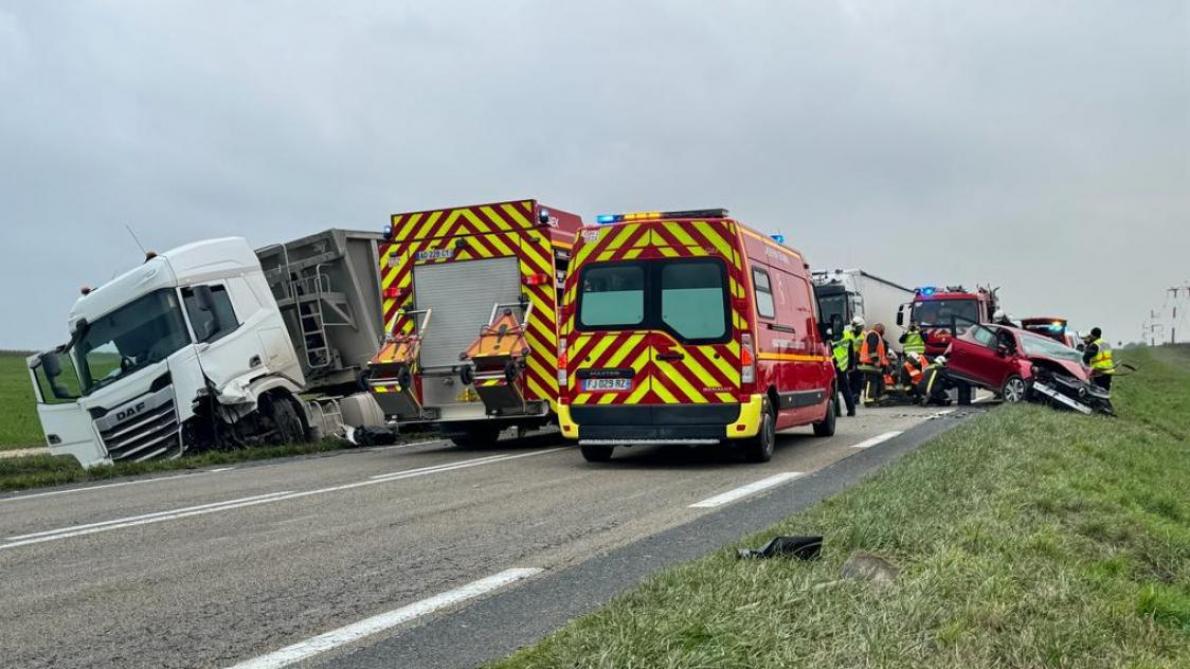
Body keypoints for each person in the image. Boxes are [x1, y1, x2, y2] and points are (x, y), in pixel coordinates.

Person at [831, 319, 859, 417]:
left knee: (833, 389)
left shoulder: (831, 335)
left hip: (834, 363)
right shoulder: (847, 335)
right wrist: (851, 365)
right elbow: (851, 352)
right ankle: (851, 410)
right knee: (845, 388)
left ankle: (836, 411)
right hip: (843, 365)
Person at [858, 322, 889, 404]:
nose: (884, 332)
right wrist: (875, 360)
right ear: (880, 329)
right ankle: (869, 400)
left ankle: (876, 398)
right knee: (871, 381)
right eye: (883, 330)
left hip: (872, 363)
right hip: (870, 363)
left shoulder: (875, 335)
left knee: (877, 380)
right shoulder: (873, 335)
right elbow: (872, 349)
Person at [1082, 327, 1114, 391]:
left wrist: (1087, 345)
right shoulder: (1106, 343)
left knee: (1097, 391)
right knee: (1105, 391)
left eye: (1091, 335)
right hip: (1108, 372)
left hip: (1098, 372)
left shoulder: (1095, 345)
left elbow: (1085, 358)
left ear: (1093, 335)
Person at [846, 317, 866, 409]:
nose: (861, 328)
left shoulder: (864, 335)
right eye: (860, 326)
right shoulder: (847, 334)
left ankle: (856, 395)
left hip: (859, 358)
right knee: (851, 378)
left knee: (859, 378)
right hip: (849, 359)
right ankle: (852, 395)